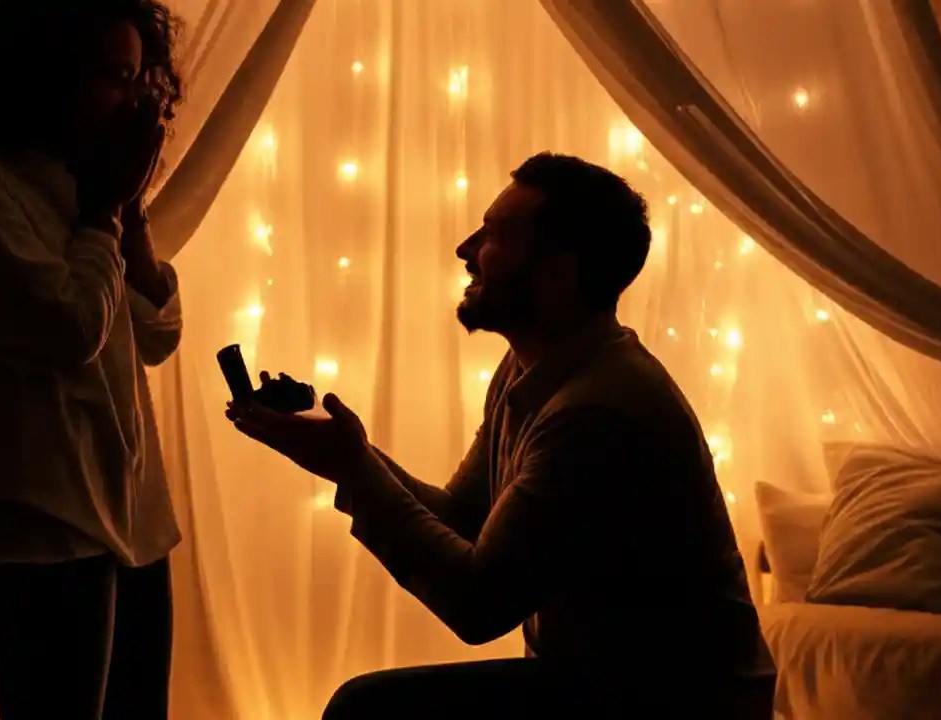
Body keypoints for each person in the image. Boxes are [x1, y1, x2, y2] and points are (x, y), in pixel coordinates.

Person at [228, 153, 777, 718]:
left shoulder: (598, 411)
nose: (465, 251)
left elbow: (478, 604)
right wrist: (346, 453)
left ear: (558, 273)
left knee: (367, 711)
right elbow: (465, 519)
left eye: (492, 236)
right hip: (597, 680)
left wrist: (352, 468)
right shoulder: (528, 369)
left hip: (678, 700)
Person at [0, 2, 185, 718]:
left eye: (138, 80)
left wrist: (131, 214)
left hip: (135, 524)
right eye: (114, 78)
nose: (132, 102)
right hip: (40, 527)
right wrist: (101, 212)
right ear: (45, 76)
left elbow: (158, 334)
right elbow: (64, 330)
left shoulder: (85, 184)